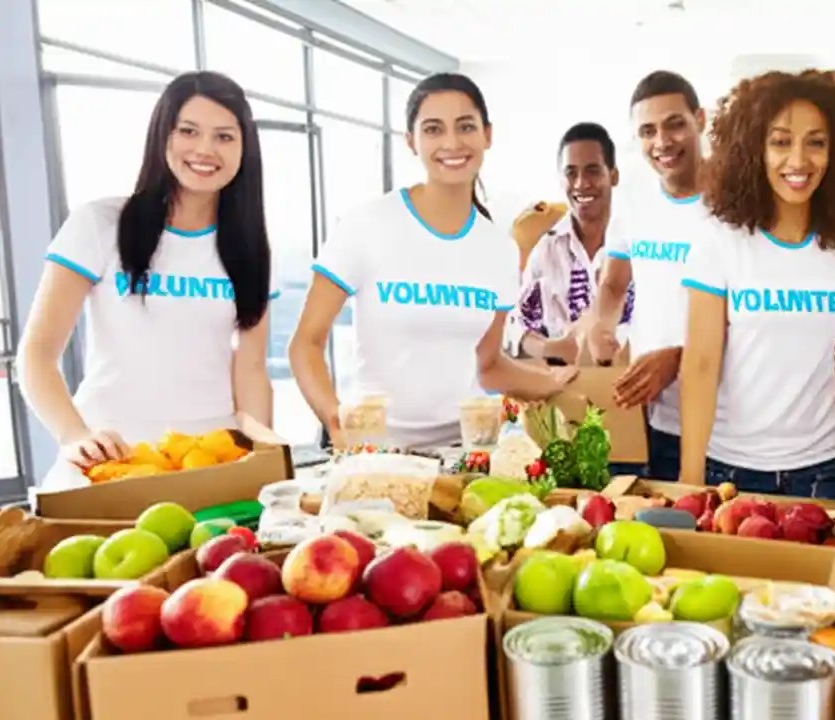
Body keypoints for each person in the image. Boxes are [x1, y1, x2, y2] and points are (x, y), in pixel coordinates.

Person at [289, 73, 576, 450]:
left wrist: (554, 381)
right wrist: (336, 420)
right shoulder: (367, 224)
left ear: (487, 135)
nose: (452, 143)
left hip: (464, 456)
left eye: (465, 127)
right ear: (412, 141)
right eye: (433, 129)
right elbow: (305, 345)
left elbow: (489, 366)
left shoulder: (499, 250)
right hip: (377, 454)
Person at [16, 71, 276, 488]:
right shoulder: (100, 224)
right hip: (110, 462)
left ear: (245, 148)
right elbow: (37, 354)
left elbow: (250, 369)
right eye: (188, 131)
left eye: (225, 137)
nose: (205, 149)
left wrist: (264, 454)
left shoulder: (250, 248)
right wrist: (74, 436)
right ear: (162, 136)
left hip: (209, 463)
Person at [679, 70, 835, 498]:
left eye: (816, 142)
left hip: (825, 469)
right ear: (754, 149)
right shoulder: (720, 241)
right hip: (729, 472)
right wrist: (691, 483)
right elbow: (700, 366)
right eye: (780, 141)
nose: (798, 160)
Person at [584, 70, 713, 480]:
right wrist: (600, 325)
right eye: (647, 130)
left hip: (726, 427)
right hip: (656, 420)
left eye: (675, 123)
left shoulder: (735, 208)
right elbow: (613, 284)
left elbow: (748, 317)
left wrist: (678, 358)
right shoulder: (633, 207)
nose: (662, 142)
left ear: (701, 120)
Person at [506, 122, 634, 362]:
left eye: (593, 171)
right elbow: (514, 328)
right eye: (571, 173)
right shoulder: (547, 250)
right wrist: (553, 348)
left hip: (634, 388)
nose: (581, 183)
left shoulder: (638, 244)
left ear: (613, 176)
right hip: (563, 389)